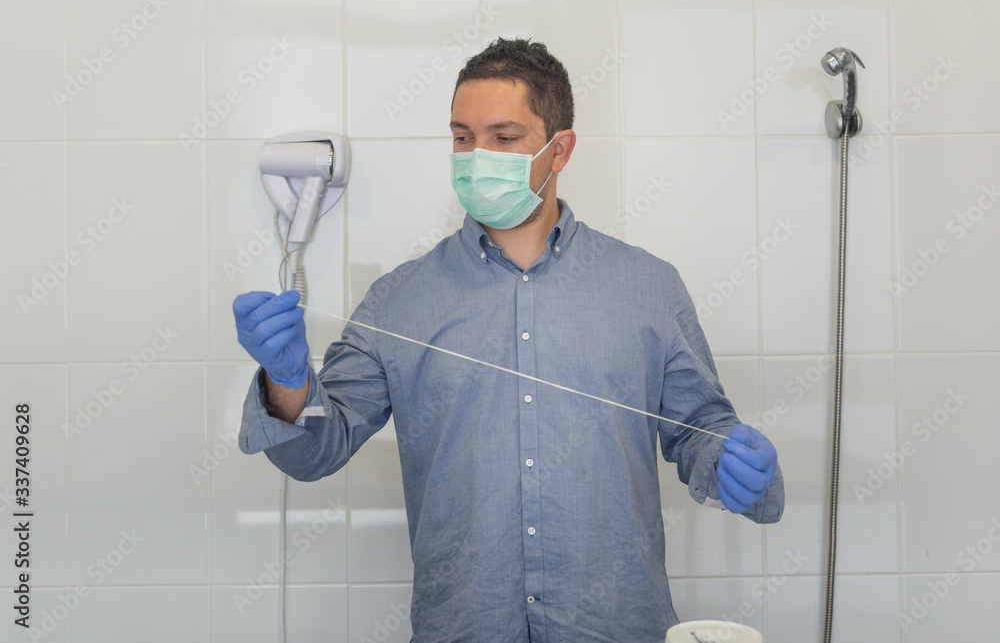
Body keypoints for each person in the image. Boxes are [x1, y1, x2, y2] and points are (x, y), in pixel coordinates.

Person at [233, 38, 784, 642]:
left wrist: (733, 462)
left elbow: (700, 433)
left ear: (560, 150)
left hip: (615, 626)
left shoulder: (647, 288)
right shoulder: (399, 299)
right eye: (462, 138)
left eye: (504, 137)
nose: (476, 157)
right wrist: (287, 381)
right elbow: (317, 452)